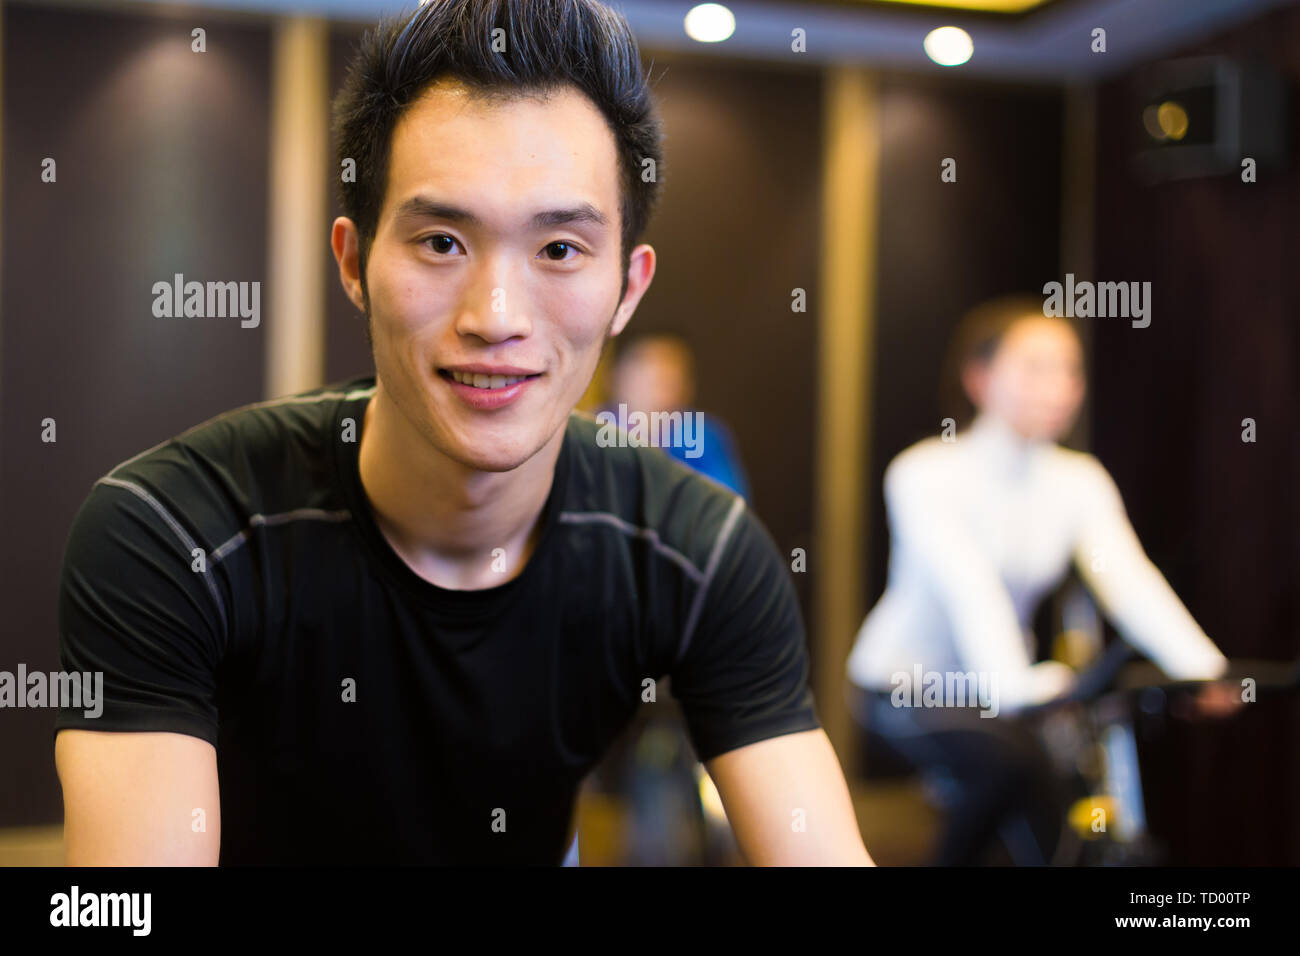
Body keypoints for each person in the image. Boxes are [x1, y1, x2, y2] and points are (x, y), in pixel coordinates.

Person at [53, 0, 872, 866]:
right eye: (442, 242)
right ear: (354, 262)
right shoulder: (173, 534)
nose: (497, 317)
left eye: (560, 250)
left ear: (628, 289)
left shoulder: (699, 551)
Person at [845, 294, 1236, 865]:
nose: (1058, 386)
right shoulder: (924, 473)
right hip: (903, 688)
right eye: (1035, 368)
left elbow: (1128, 581)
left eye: (1069, 369)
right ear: (979, 379)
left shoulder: (1078, 481)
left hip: (1006, 698)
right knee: (1011, 764)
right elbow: (970, 586)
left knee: (1053, 826)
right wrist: (1013, 686)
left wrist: (1201, 667)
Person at [605, 333, 751, 498]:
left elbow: (729, 500)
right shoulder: (593, 429)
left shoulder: (702, 435)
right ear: (614, 378)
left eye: (668, 381)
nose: (657, 393)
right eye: (648, 379)